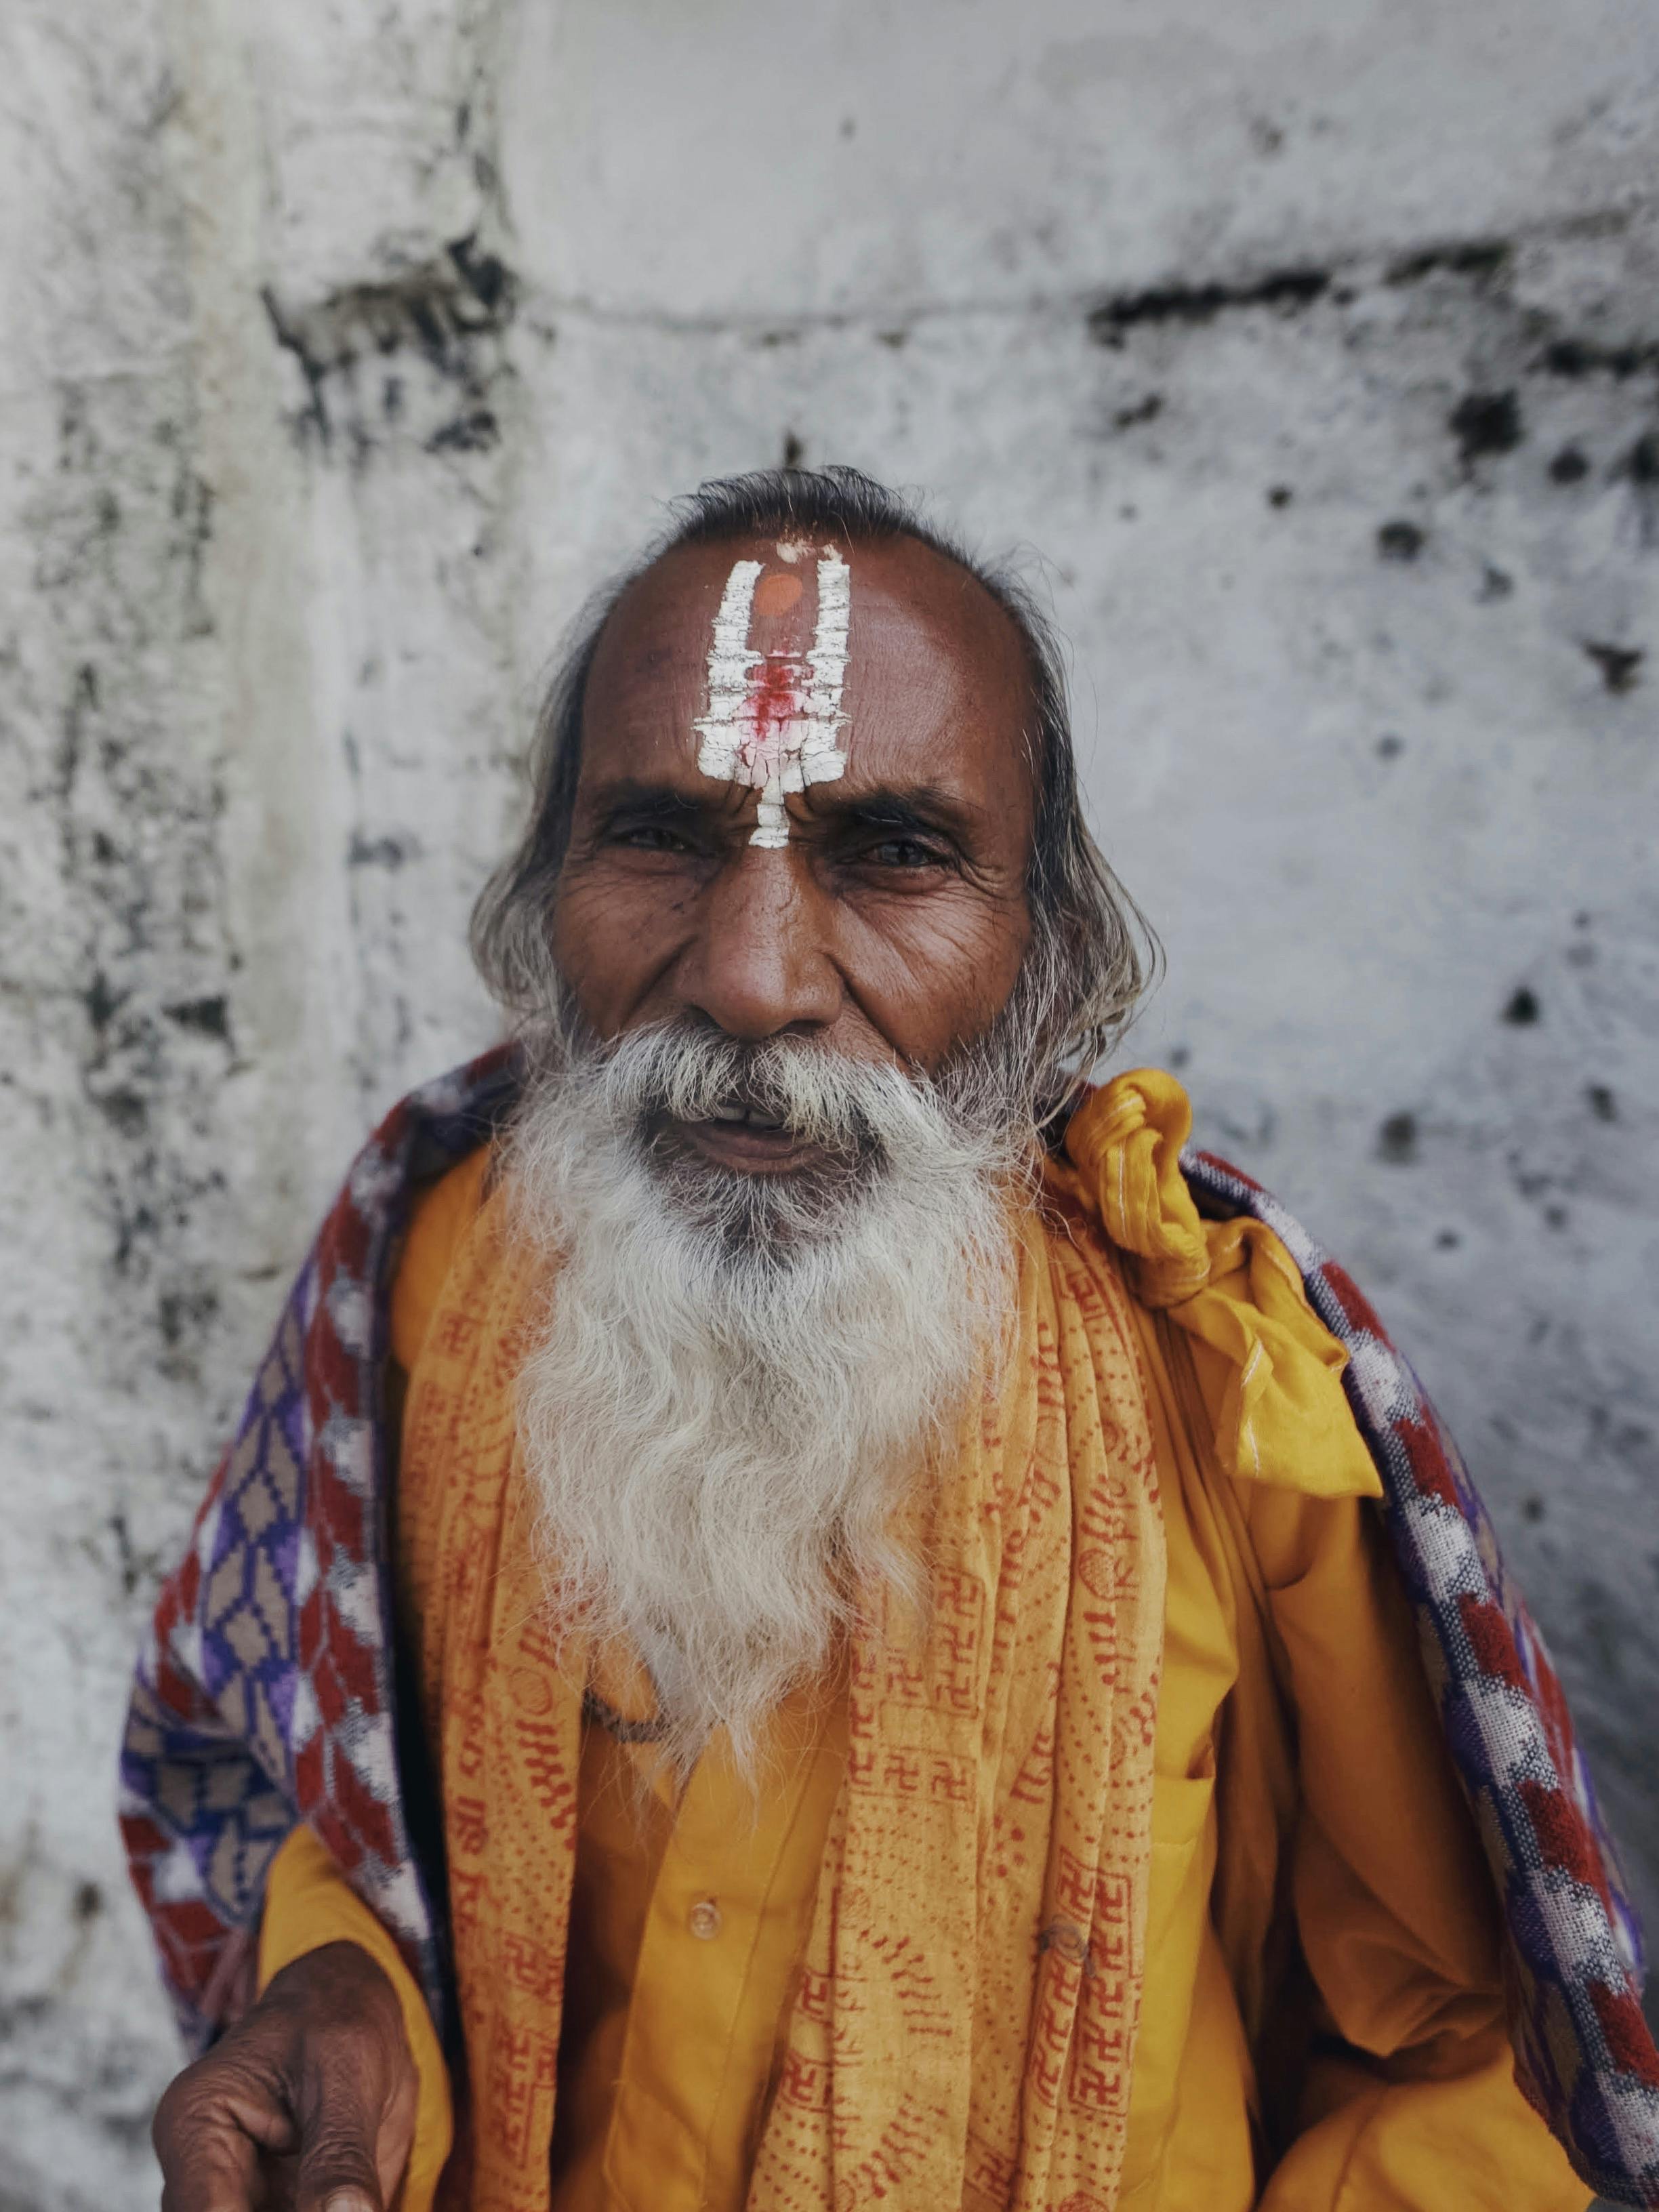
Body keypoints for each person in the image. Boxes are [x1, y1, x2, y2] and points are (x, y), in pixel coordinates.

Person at [127, 468, 1657, 2212]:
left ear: (1052, 956)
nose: (756, 975)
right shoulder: (428, 1277)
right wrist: (343, 1982)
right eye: (660, 837)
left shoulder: (1226, 1388)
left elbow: (1466, 2053)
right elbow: (320, 1780)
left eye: (897, 851)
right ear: (540, 902)